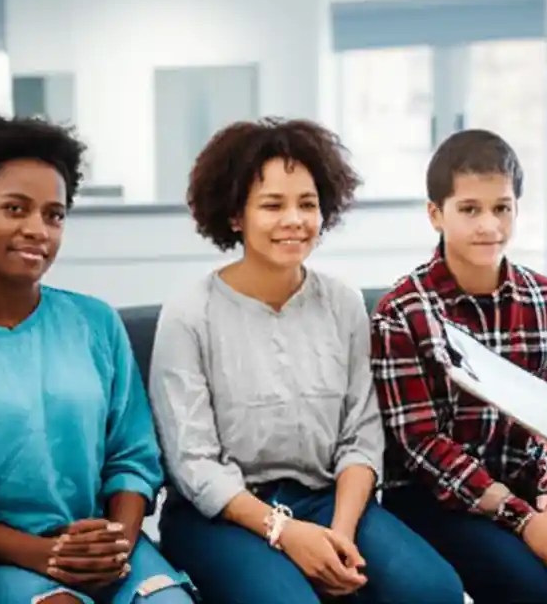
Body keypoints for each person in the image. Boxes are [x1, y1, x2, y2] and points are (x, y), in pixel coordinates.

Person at [148, 118, 465, 604]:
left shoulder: (342, 302)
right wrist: (285, 534)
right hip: (220, 514)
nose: (294, 219)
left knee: (434, 591)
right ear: (236, 215)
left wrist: (338, 534)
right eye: (272, 205)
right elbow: (194, 464)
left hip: (323, 500)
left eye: (308, 204)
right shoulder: (190, 313)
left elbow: (363, 434)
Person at [0, 114, 194, 604]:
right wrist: (44, 555)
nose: (37, 230)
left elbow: (133, 457)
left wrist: (116, 544)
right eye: (15, 209)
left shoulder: (96, 323)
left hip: (107, 549)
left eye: (54, 214)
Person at [370, 130, 547, 604]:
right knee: (525, 587)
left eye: (502, 207)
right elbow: (422, 446)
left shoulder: (546, 299)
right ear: (436, 213)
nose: (488, 224)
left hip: (523, 479)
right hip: (432, 492)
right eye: (469, 209)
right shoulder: (402, 311)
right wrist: (523, 519)